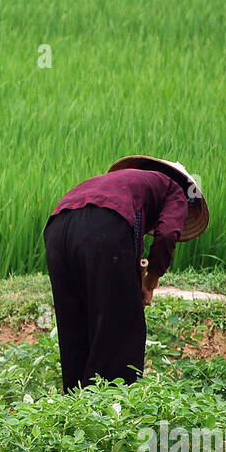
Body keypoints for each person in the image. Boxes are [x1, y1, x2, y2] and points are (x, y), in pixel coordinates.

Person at [43, 156, 209, 391]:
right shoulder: (175, 190)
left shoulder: (123, 184)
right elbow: (167, 234)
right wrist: (151, 282)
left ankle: (75, 402)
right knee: (122, 323)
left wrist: (135, 279)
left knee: (75, 320)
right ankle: (109, 403)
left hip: (57, 229)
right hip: (104, 225)